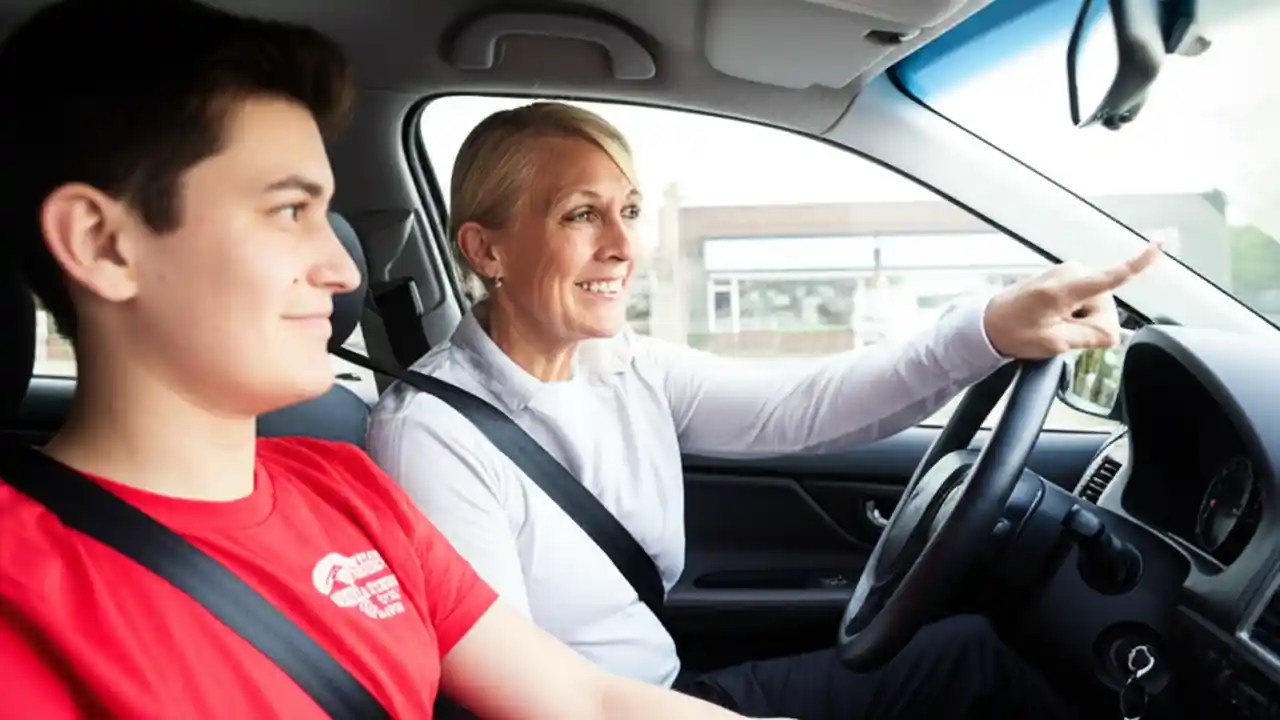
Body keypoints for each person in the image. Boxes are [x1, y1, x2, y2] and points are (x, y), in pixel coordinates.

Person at [0, 3, 785, 719]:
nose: (343, 272)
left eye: (326, 215)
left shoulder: (352, 494)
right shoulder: (24, 602)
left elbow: (586, 701)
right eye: (288, 211)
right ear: (104, 245)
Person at [365, 102, 1163, 719]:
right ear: (485, 250)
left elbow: (804, 408)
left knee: (976, 658)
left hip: (669, 690)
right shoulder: (430, 439)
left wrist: (987, 330)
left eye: (631, 210)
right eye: (581, 214)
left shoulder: (621, 367)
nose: (623, 245)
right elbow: (526, 698)